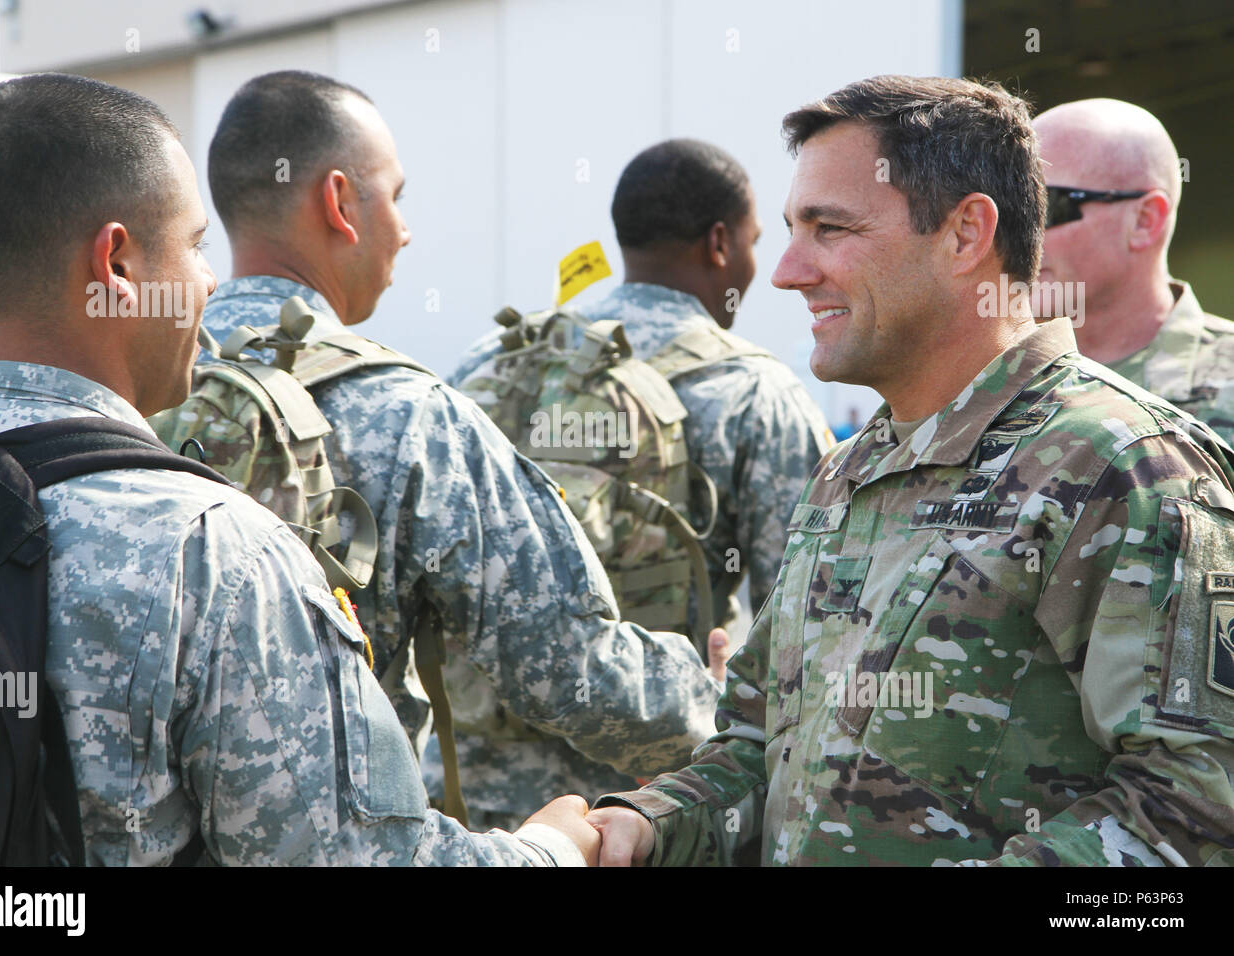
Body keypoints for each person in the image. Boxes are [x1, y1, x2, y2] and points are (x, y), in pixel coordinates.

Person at [0, 72, 598, 866]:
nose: (211, 282)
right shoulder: (212, 555)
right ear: (116, 264)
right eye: (194, 244)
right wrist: (551, 849)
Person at [587, 75, 1234, 867]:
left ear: (966, 235)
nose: (788, 271)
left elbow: (1195, 811)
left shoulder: (1124, 469)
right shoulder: (847, 475)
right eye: (792, 229)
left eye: (831, 229)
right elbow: (758, 751)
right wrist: (643, 826)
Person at [192, 70, 724, 832]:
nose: (404, 228)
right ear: (340, 203)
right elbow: (570, 666)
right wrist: (714, 698)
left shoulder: (139, 383)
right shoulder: (406, 411)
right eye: (395, 195)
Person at [451, 138, 833, 637]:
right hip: (665, 711)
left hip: (481, 711)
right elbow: (803, 629)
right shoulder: (755, 392)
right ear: (720, 244)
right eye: (754, 241)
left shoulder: (493, 358)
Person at [1034, 98, 1234, 443]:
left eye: (1045, 207)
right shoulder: (977, 381)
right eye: (1010, 208)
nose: (1017, 235)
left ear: (1144, 220)